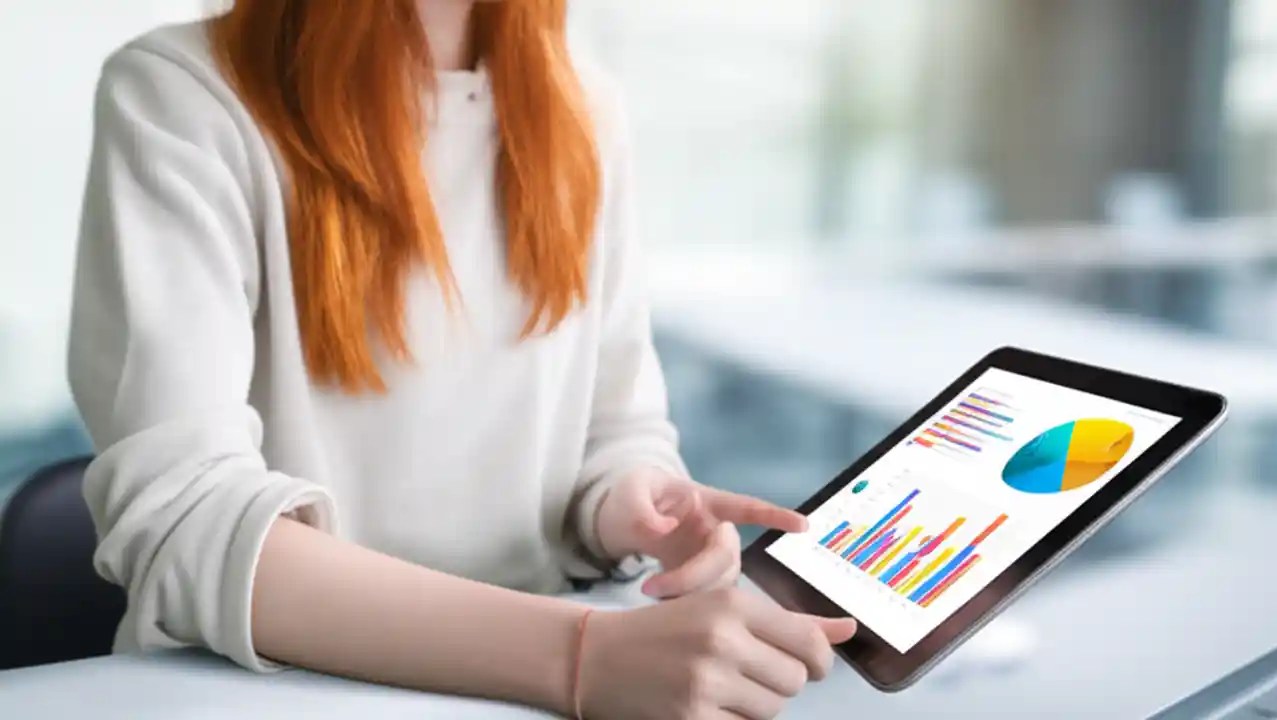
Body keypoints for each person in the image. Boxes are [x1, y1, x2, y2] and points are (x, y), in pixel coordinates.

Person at [67, 1, 857, 718]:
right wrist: (581, 654)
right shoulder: (181, 98)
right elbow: (186, 524)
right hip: (270, 693)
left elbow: (617, 426)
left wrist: (629, 501)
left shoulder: (583, 109)